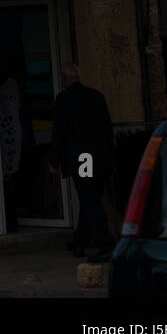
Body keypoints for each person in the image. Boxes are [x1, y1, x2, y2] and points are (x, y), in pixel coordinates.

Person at [48, 61, 114, 261]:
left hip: (83, 159)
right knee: (90, 200)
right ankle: (80, 240)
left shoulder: (64, 99)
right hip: (101, 158)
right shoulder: (96, 96)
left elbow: (59, 132)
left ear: (65, 79)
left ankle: (106, 243)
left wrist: (54, 161)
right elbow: (107, 128)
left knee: (90, 201)